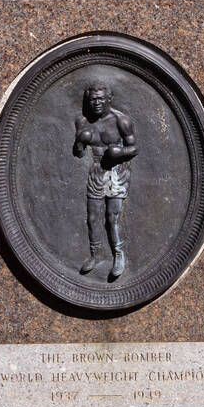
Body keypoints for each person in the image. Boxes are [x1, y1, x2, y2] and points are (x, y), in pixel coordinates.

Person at [72, 80, 137, 281]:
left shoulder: (121, 121)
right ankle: (96, 254)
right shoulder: (82, 121)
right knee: (92, 217)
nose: (96, 103)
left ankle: (119, 255)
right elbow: (79, 154)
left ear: (109, 99)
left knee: (112, 217)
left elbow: (134, 148)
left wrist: (120, 152)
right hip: (96, 170)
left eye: (100, 99)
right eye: (92, 100)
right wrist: (80, 142)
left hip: (117, 170)